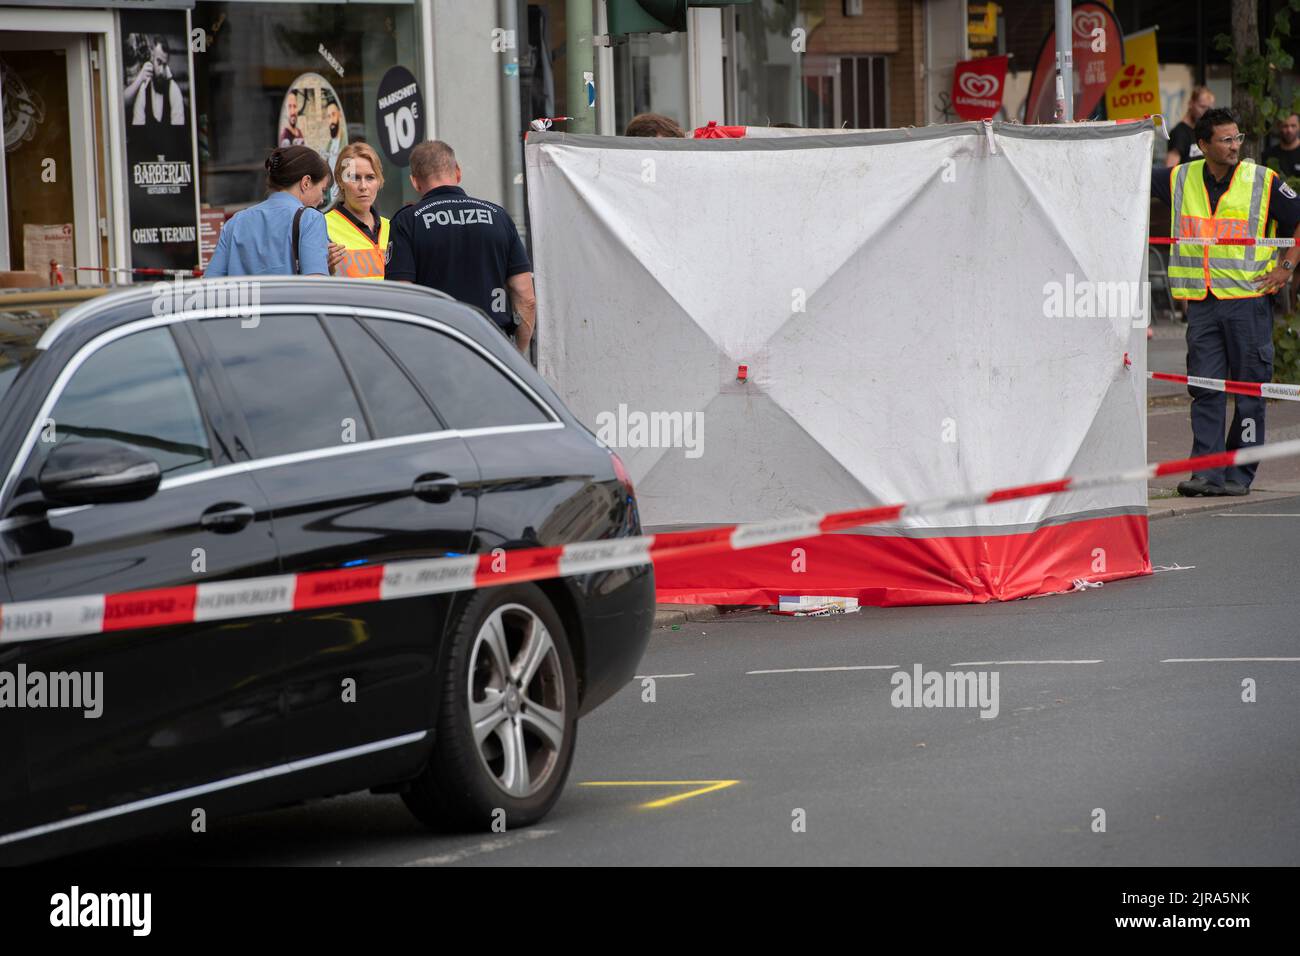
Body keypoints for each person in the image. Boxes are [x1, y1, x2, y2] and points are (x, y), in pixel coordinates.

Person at [1150, 108, 1300, 497]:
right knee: (1205, 389)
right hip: (1202, 303)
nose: (1235, 146)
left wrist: (1286, 267)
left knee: (1249, 392)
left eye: (1238, 138)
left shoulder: (1262, 180)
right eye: (1226, 139)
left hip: (1248, 303)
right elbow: (1130, 176)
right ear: (1203, 145)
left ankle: (1238, 475)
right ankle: (1207, 472)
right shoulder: (1180, 177)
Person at [385, 140, 536, 355]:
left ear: (415, 182)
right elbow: (525, 297)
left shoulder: (408, 221)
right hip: (494, 348)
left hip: (436, 348)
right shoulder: (498, 216)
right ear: (457, 172)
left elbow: (401, 297)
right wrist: (517, 354)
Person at [206, 145, 343, 277]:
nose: (321, 200)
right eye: (323, 190)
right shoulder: (310, 218)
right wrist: (325, 267)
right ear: (306, 182)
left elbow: (211, 285)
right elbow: (316, 288)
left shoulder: (235, 222)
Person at [325, 142, 389, 280]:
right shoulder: (322, 225)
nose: (363, 186)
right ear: (340, 181)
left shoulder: (393, 227)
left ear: (379, 180)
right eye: (354, 178)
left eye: (370, 177)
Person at [125, 36, 185, 127]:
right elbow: (138, 131)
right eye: (159, 62)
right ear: (152, 58)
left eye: (164, 65)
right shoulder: (144, 89)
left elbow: (178, 132)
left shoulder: (174, 90)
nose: (161, 70)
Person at [1165, 86, 1215, 168]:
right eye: (1202, 107)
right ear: (1191, 104)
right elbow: (1170, 168)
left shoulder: (1205, 130)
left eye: (1209, 108)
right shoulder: (1179, 133)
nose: (1206, 112)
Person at [1262, 113, 1300, 179]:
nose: (1289, 130)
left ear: (1299, 126)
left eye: (1293, 126)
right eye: (1285, 126)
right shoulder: (1268, 155)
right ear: (1279, 127)